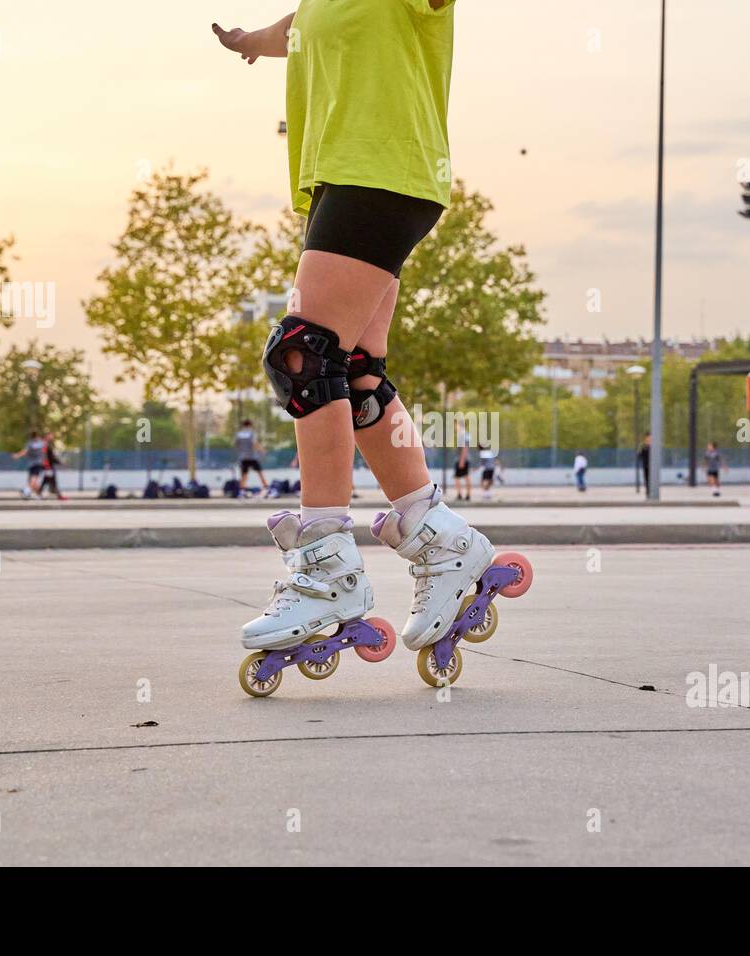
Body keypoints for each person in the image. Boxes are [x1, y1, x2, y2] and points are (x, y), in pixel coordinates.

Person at [215, 3, 491, 659]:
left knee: (301, 356)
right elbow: (305, 26)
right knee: (356, 371)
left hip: (385, 171)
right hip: (348, 179)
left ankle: (326, 566)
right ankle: (440, 537)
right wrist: (255, 40)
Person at [12, 431, 48, 499]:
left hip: (34, 464)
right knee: (33, 482)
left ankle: (26, 491)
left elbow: (25, 451)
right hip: (38, 464)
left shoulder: (30, 443)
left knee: (33, 480)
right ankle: (40, 495)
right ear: (37, 436)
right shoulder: (42, 443)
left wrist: (17, 455)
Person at [235, 419, 268, 491]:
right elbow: (254, 443)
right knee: (260, 472)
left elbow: (237, 445)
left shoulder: (239, 434)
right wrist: (262, 450)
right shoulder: (251, 433)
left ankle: (242, 489)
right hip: (252, 456)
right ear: (249, 425)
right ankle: (266, 487)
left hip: (243, 457)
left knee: (244, 473)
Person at [453, 422, 472, 502]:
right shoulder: (464, 434)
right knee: (463, 477)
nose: (455, 427)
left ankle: (464, 494)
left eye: (456, 425)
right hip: (462, 459)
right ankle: (463, 494)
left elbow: (465, 448)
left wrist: (462, 461)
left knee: (463, 477)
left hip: (462, 459)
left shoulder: (463, 435)